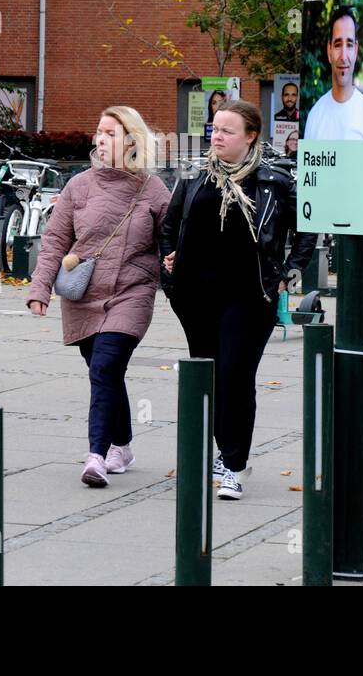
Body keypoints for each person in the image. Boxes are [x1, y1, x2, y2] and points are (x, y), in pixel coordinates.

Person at [161, 100, 316, 501]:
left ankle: (234, 464)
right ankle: (224, 448)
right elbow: (170, 223)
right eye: (215, 129)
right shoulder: (195, 175)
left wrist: (289, 273)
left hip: (250, 295)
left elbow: (307, 228)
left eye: (227, 131)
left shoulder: (274, 180)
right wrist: (170, 256)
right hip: (195, 295)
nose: (217, 136)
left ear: (251, 136)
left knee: (235, 373)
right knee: (209, 374)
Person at [27, 106, 172, 488]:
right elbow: (55, 241)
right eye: (99, 132)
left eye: (110, 133)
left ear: (131, 140)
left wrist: (177, 265)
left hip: (132, 293)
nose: (100, 139)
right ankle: (122, 446)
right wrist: (40, 288)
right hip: (83, 294)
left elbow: (172, 241)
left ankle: (96, 455)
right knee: (106, 372)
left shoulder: (153, 190)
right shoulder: (79, 186)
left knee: (105, 368)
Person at [303, 7, 363, 140]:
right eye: (338, 44)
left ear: (355, 51)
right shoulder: (314, 116)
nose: (343, 56)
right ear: (329, 51)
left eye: (349, 45)